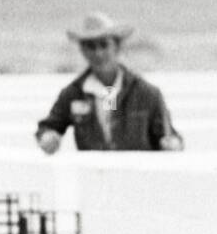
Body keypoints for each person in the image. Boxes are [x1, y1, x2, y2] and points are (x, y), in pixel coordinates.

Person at [34, 11, 183, 155]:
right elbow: (48, 127)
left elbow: (169, 136)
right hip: (93, 176)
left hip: (138, 177)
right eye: (91, 46)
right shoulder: (73, 93)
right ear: (83, 50)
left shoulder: (147, 93)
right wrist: (48, 139)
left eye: (104, 45)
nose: (98, 53)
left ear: (117, 47)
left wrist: (172, 145)